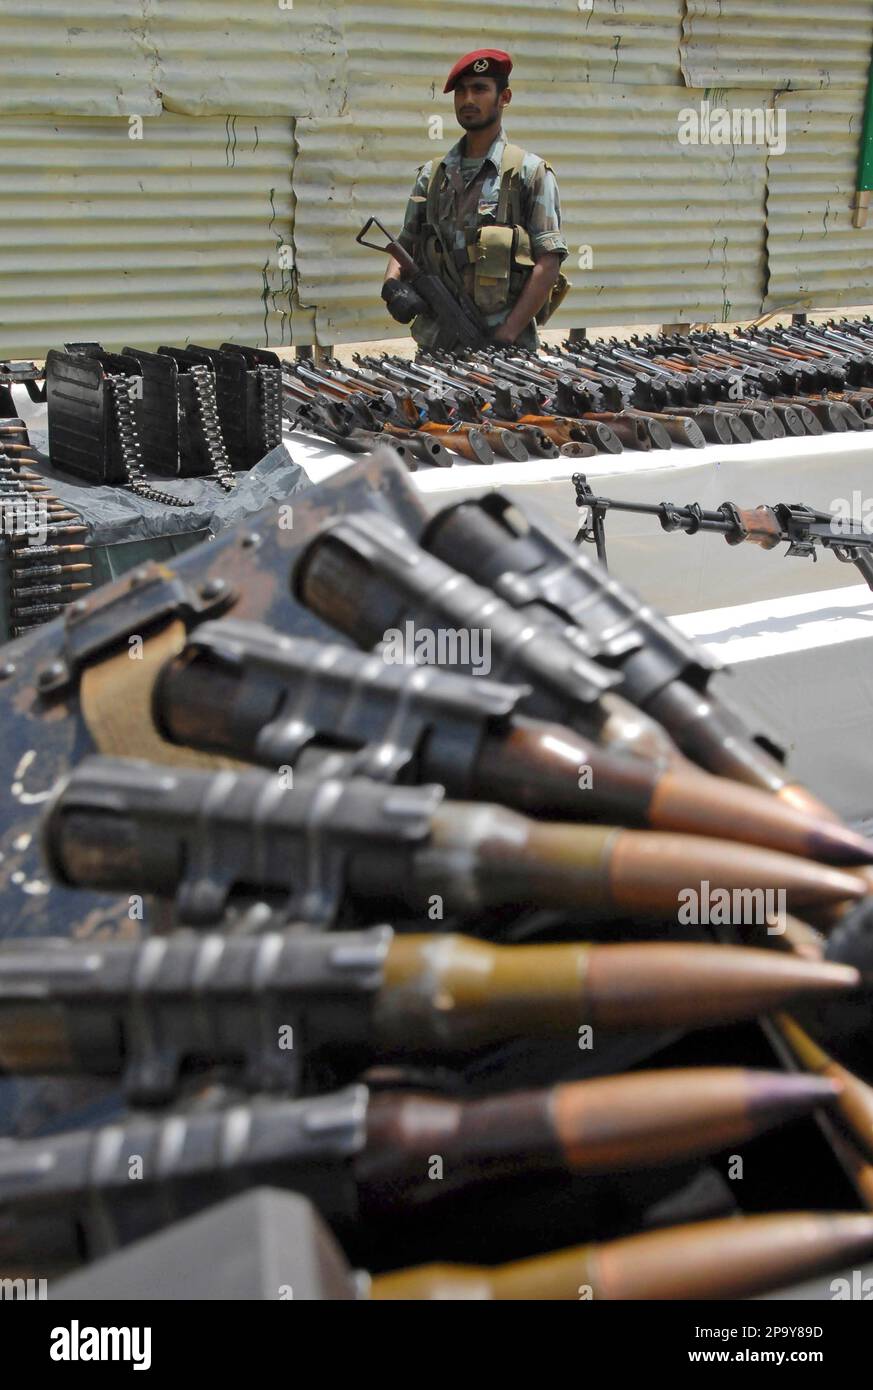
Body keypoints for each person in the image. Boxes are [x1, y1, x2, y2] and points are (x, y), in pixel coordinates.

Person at [381, 48, 569, 350]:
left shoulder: (529, 173)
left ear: (504, 97)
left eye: (480, 89)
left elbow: (549, 262)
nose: (468, 100)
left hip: (503, 350)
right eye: (461, 91)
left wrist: (506, 334)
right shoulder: (432, 176)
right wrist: (392, 285)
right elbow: (405, 244)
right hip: (436, 345)